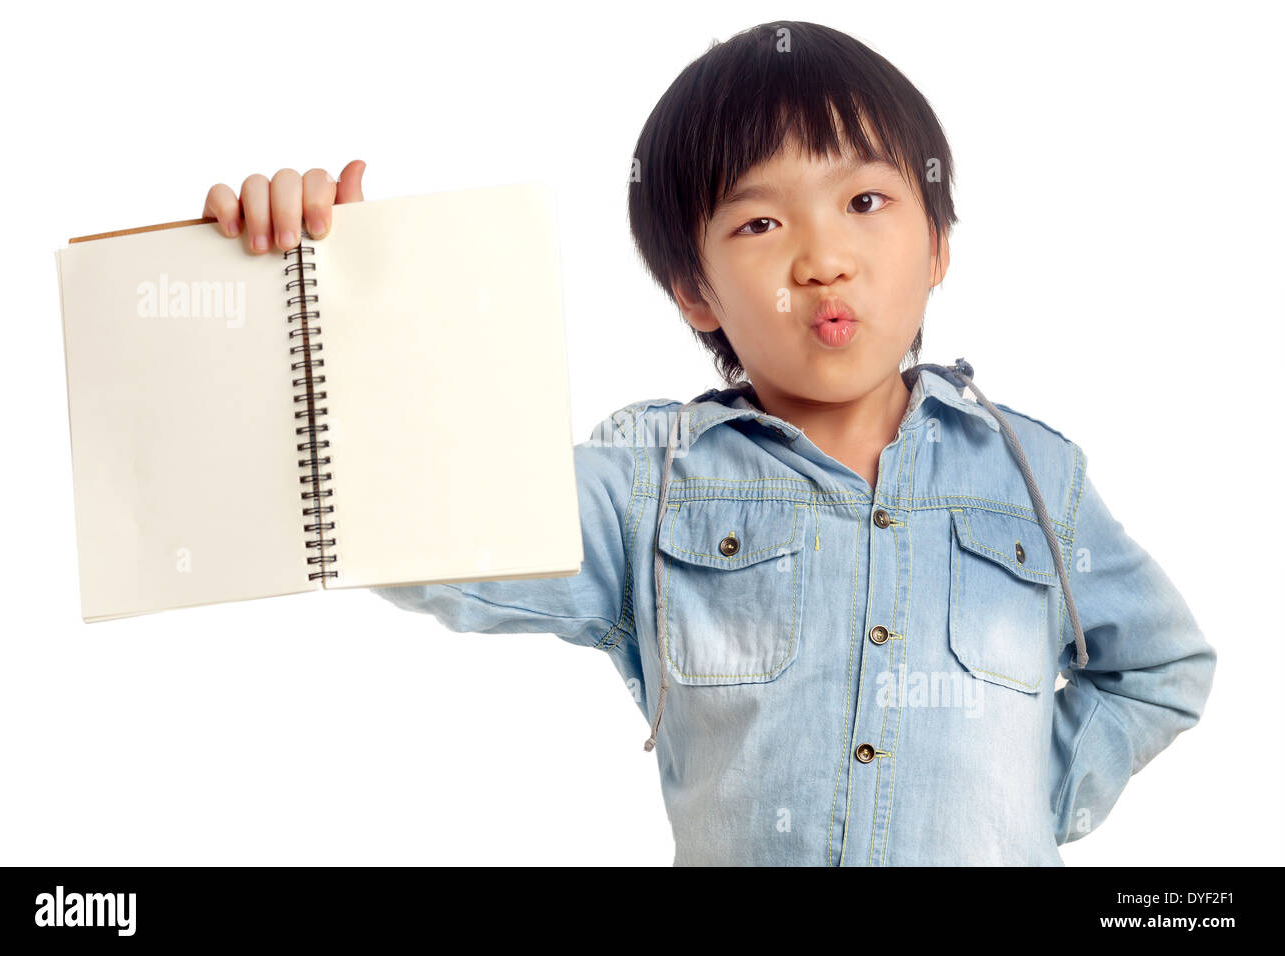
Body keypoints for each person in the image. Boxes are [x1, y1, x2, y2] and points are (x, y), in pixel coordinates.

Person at [200, 20, 1215, 866]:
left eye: (865, 201)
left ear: (938, 242)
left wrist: (1029, 805)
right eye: (759, 223)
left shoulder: (1034, 477)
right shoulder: (652, 484)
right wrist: (315, 296)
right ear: (695, 292)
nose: (823, 259)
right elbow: (423, 534)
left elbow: (1160, 664)